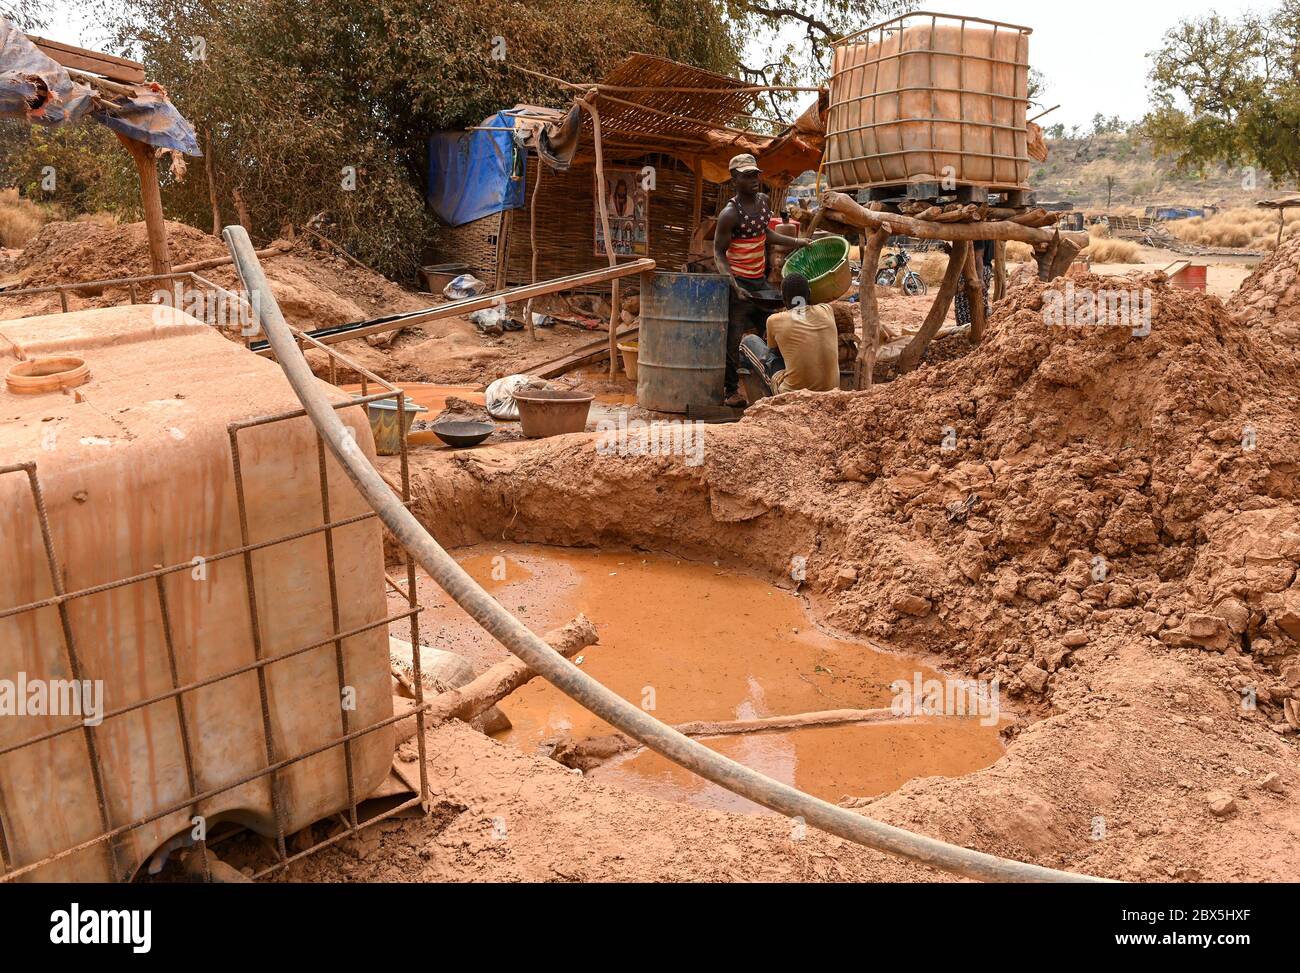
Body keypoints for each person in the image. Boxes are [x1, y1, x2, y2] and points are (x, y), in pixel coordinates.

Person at [713, 153, 807, 407]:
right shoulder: (729, 214)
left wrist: (797, 242)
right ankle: (731, 390)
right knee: (733, 338)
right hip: (739, 284)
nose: (754, 180)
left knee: (773, 330)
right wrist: (732, 284)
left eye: (755, 174)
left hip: (759, 282)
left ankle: (776, 382)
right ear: (734, 178)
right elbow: (719, 254)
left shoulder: (764, 202)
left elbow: (766, 234)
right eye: (747, 176)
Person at [738, 272, 839, 398]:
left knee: (749, 341)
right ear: (809, 293)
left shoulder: (774, 320)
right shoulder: (827, 310)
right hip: (831, 390)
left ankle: (754, 394)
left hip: (792, 394)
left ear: (783, 298)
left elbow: (772, 355)